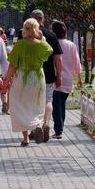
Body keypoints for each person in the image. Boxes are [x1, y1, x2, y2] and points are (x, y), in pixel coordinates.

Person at [1, 18, 52, 145]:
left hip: (22, 78)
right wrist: (40, 38)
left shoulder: (19, 44)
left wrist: (6, 83)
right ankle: (37, 125)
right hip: (38, 77)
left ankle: (25, 138)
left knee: (19, 105)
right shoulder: (41, 44)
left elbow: (12, 65)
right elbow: (50, 50)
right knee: (36, 104)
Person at [29, 7, 62, 141]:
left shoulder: (24, 33)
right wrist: (59, 76)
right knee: (48, 100)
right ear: (42, 19)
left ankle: (34, 127)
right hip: (48, 74)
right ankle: (47, 123)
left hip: (30, 74)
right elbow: (58, 59)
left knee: (32, 101)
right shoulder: (51, 35)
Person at [50, 19, 82, 139]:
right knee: (61, 104)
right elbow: (77, 62)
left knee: (57, 105)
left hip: (56, 78)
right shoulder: (71, 45)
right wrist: (79, 77)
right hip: (68, 79)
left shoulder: (53, 44)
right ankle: (60, 127)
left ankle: (58, 130)